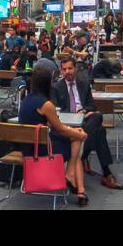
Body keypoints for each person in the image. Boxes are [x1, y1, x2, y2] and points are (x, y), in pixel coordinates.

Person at [18, 66, 89, 204]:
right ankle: (70, 175)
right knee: (76, 140)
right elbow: (60, 129)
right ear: (47, 83)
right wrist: (78, 134)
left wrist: (75, 132)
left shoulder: (26, 100)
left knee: (74, 136)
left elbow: (55, 128)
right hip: (42, 150)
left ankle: (79, 187)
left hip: (27, 147)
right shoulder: (46, 104)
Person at [51, 57, 123, 190]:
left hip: (84, 121)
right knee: (99, 130)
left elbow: (91, 105)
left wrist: (83, 112)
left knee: (96, 116)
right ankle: (105, 173)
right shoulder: (56, 87)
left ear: (76, 69)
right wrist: (73, 115)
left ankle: (84, 157)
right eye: (64, 69)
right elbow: (56, 112)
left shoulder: (83, 84)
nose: (67, 72)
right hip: (68, 127)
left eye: (70, 68)